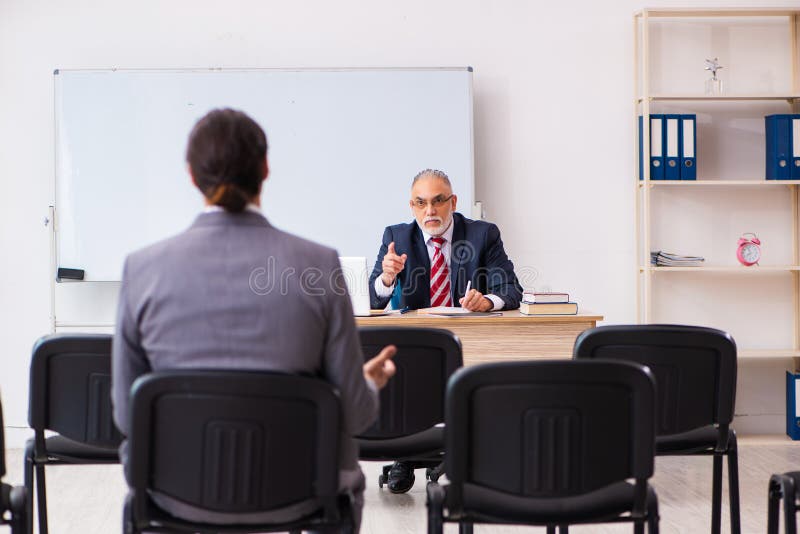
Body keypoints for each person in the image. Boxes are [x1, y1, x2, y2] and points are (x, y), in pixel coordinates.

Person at [111, 108, 395, 532]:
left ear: (191, 175)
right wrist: (367, 382)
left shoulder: (142, 269)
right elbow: (354, 415)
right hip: (301, 494)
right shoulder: (318, 265)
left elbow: (126, 415)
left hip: (174, 494)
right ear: (265, 169)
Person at [368, 168, 522, 493]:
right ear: (411, 206)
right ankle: (404, 455)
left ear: (453, 201)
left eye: (438, 201)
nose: (430, 211)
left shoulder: (482, 235)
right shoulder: (396, 236)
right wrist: (386, 279)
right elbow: (373, 300)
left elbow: (509, 288)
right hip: (417, 347)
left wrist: (488, 301)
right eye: (421, 203)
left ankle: (471, 454)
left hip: (470, 344)